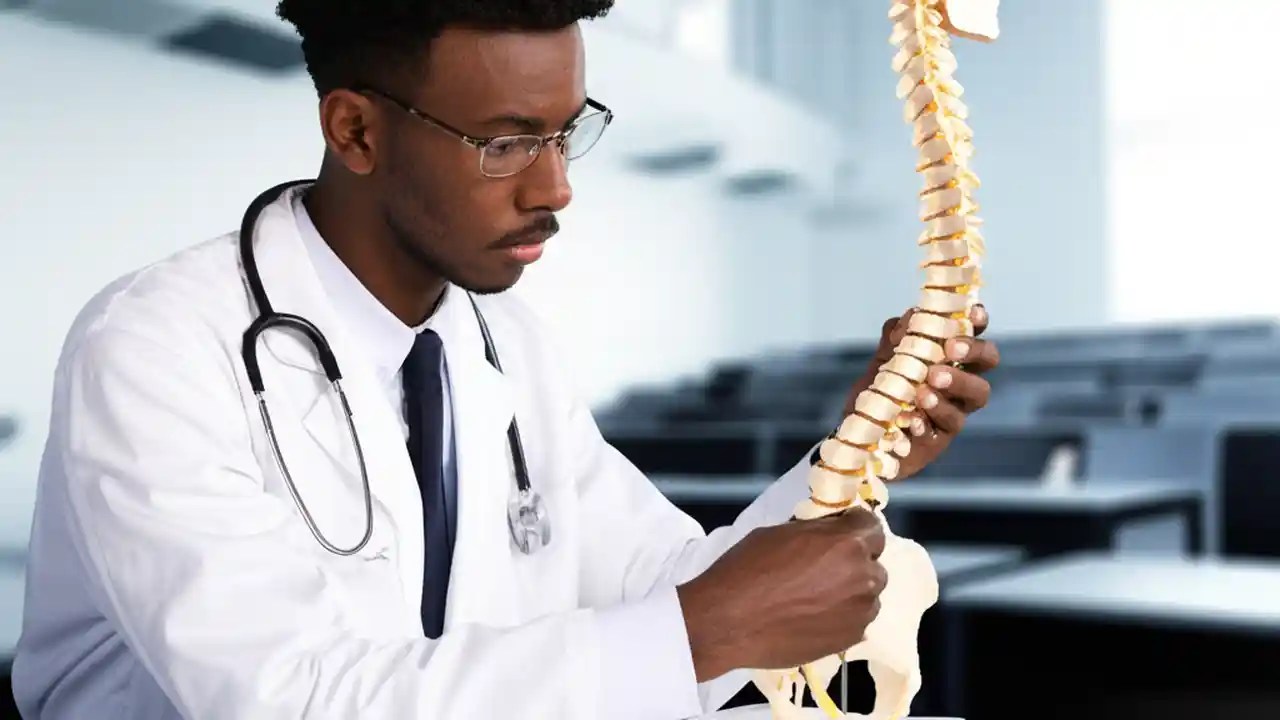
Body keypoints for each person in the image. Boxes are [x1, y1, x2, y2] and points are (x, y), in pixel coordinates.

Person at [11, 1, 1000, 718]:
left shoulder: (504, 345)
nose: (558, 187)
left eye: (566, 132)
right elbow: (283, 700)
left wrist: (857, 452)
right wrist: (701, 629)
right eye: (505, 143)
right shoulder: (157, 348)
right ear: (354, 129)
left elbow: (666, 584)